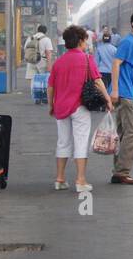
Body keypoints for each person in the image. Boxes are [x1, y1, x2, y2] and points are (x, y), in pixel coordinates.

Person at [48, 25, 113, 193]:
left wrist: (51, 105)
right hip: (79, 107)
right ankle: (80, 180)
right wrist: (107, 99)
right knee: (81, 142)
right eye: (85, 39)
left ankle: (60, 179)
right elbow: (98, 81)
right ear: (80, 41)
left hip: (61, 107)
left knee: (63, 142)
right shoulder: (86, 59)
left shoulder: (59, 62)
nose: (87, 42)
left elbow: (50, 87)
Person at [107, 10, 133, 185]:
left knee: (122, 133)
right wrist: (115, 90)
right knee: (132, 133)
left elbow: (129, 71)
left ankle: (118, 171)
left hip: (127, 92)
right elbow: (116, 64)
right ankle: (122, 172)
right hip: (123, 95)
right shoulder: (128, 42)